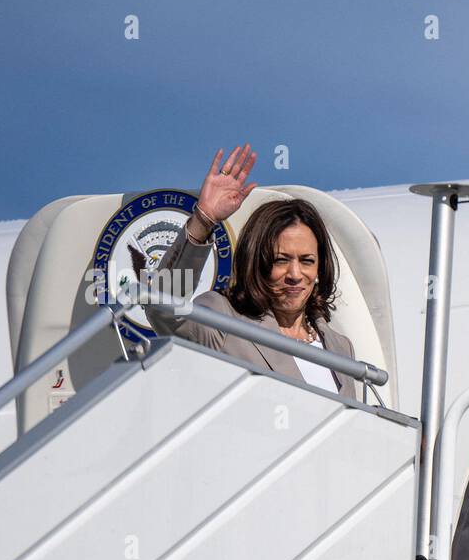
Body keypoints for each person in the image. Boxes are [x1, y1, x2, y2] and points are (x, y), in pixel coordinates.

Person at [148, 144, 360, 400]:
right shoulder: (224, 318)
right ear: (257, 263)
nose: (295, 273)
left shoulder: (340, 347)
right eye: (281, 260)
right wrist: (203, 221)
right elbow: (163, 307)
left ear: (319, 268)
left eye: (306, 261)